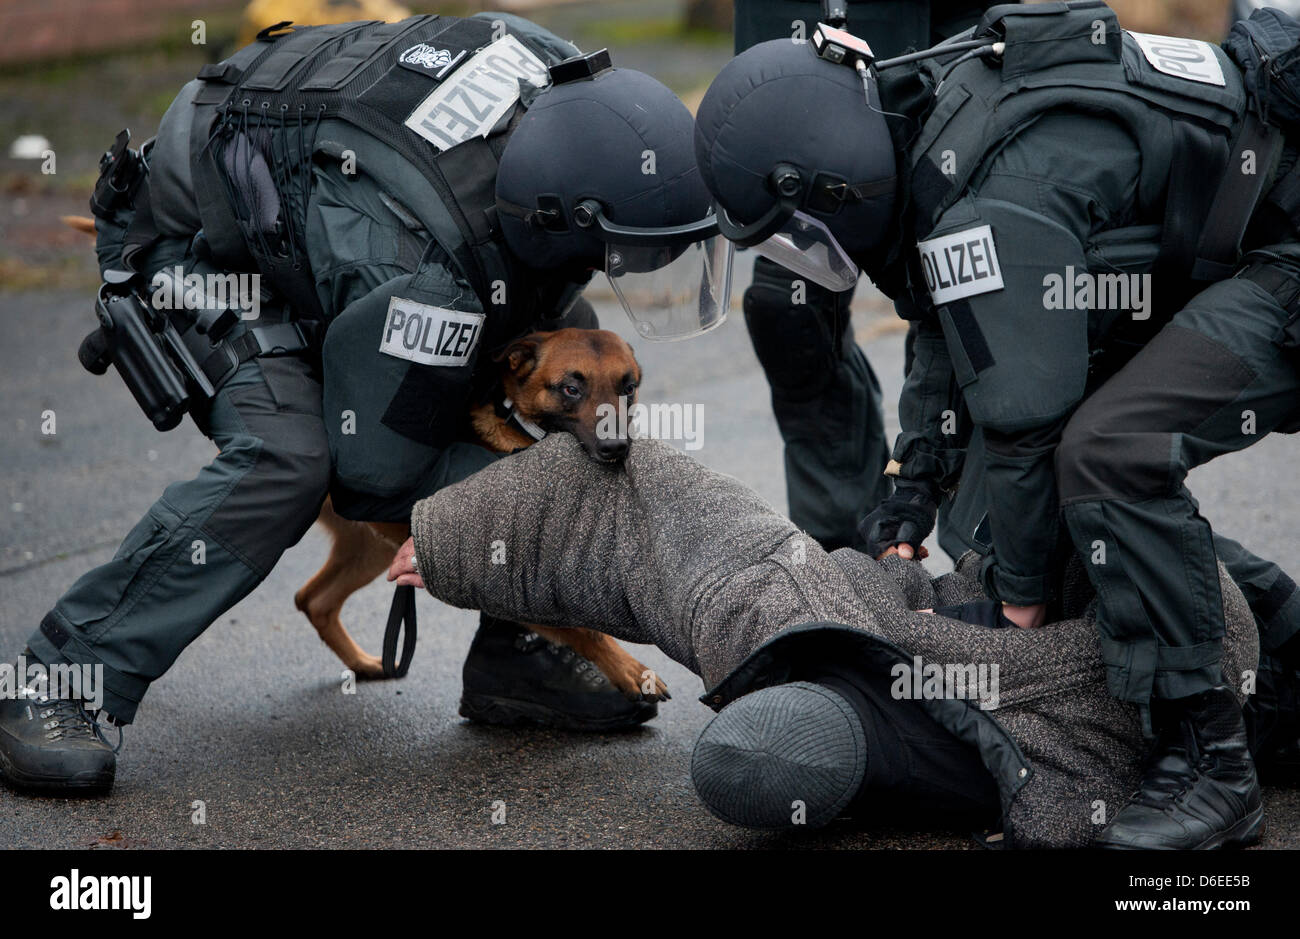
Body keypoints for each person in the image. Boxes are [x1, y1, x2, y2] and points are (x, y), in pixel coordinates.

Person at [0, 12, 730, 793]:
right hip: (197, 245)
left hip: (317, 226)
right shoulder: (431, 272)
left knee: (563, 358)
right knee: (292, 456)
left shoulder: (571, 92)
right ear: (560, 212)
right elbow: (376, 477)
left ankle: (518, 658)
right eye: (620, 250)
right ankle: (61, 675)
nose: (624, 269)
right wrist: (496, 518)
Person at [690, 1, 1300, 848]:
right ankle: (1286, 667)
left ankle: (1213, 763)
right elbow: (956, 325)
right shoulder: (925, 122)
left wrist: (1017, 604)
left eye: (797, 229)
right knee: (1004, 511)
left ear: (828, 185)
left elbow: (1024, 420)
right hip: (1239, 226)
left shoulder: (999, 190)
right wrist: (913, 488)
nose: (806, 252)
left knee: (1107, 456)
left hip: (1286, 244)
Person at [386, 431, 1258, 848]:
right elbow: (646, 498)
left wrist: (915, 622)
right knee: (690, 518)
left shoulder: (1181, 630)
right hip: (886, 635)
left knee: (766, 731)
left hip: (910, 680)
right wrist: (457, 540)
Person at [729, 0, 1013, 551]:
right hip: (794, 21)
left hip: (948, 29)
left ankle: (979, 547)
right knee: (785, 308)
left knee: (956, 303)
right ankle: (847, 547)